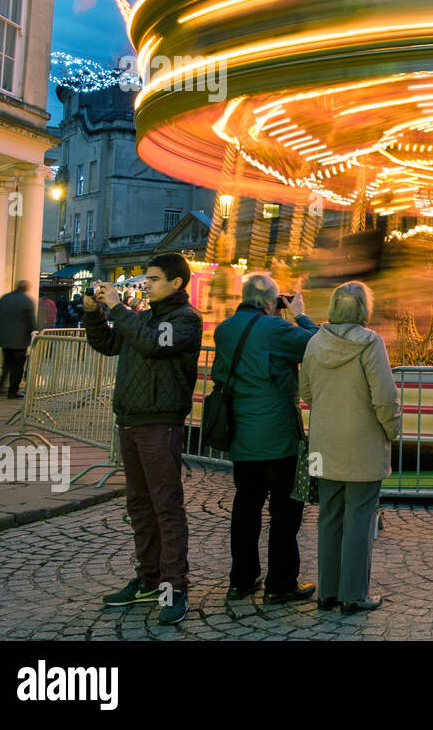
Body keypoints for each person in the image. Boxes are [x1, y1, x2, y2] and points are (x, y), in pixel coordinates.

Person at [87, 253, 202, 627]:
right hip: (131, 420)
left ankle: (175, 587)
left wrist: (119, 308)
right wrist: (93, 313)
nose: (146, 284)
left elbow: (153, 344)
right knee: (139, 505)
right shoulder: (146, 316)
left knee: (165, 505)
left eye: (153, 279)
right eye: (146, 279)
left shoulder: (184, 320)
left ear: (176, 283)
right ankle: (148, 580)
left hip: (160, 422)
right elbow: (108, 344)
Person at [212, 273, 319, 605]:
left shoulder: (224, 329)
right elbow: (318, 344)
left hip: (242, 436)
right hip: (277, 438)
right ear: (273, 301)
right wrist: (299, 313)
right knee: (285, 512)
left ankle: (241, 579)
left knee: (246, 508)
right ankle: (281, 583)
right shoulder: (276, 329)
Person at [300, 281, 399, 614]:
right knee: (360, 517)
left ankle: (327, 591)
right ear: (362, 310)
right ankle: (353, 594)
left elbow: (307, 392)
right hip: (363, 444)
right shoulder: (371, 343)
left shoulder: (315, 342)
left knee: (328, 516)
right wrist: (393, 429)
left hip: (324, 445)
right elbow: (384, 397)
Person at [0, 281, 36, 399]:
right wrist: (33, 337)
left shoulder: (5, 298)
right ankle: (12, 391)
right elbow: (30, 321)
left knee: (6, 365)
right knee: (17, 367)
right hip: (20, 341)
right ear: (26, 289)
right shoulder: (27, 300)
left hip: (5, 339)